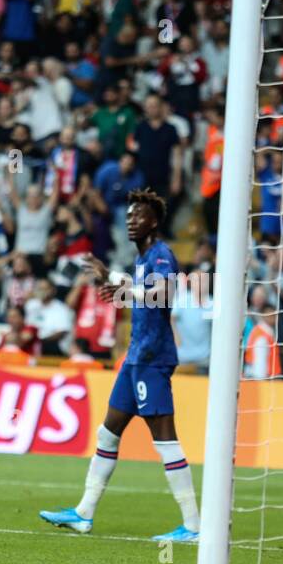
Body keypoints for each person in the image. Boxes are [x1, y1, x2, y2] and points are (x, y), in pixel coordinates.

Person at [39, 189, 199, 543]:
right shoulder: (142, 259)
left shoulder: (161, 255)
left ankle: (193, 525)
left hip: (153, 359)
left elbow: (164, 294)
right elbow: (138, 288)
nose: (130, 221)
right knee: (107, 434)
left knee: (165, 441)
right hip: (135, 358)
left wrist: (124, 290)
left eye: (138, 215)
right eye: (128, 216)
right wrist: (111, 277)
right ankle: (83, 513)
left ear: (153, 222)